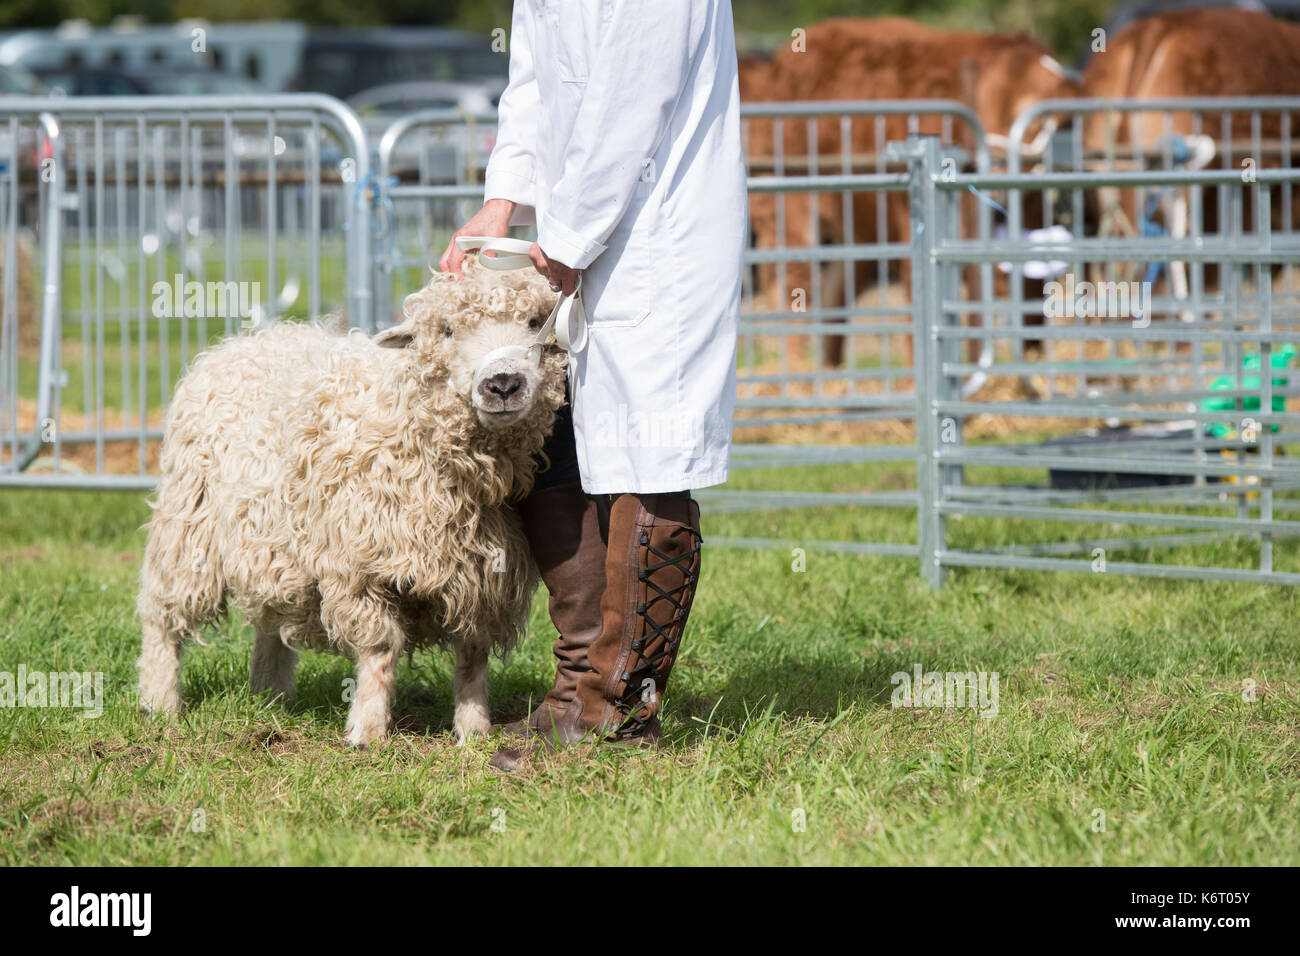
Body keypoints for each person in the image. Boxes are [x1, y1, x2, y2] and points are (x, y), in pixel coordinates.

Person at [438, 0, 746, 770]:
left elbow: (633, 92)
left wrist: (568, 234)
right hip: (579, 234)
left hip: (658, 230)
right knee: (566, 431)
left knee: (652, 452)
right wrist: (505, 192)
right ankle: (578, 685)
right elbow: (535, 77)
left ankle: (621, 706)